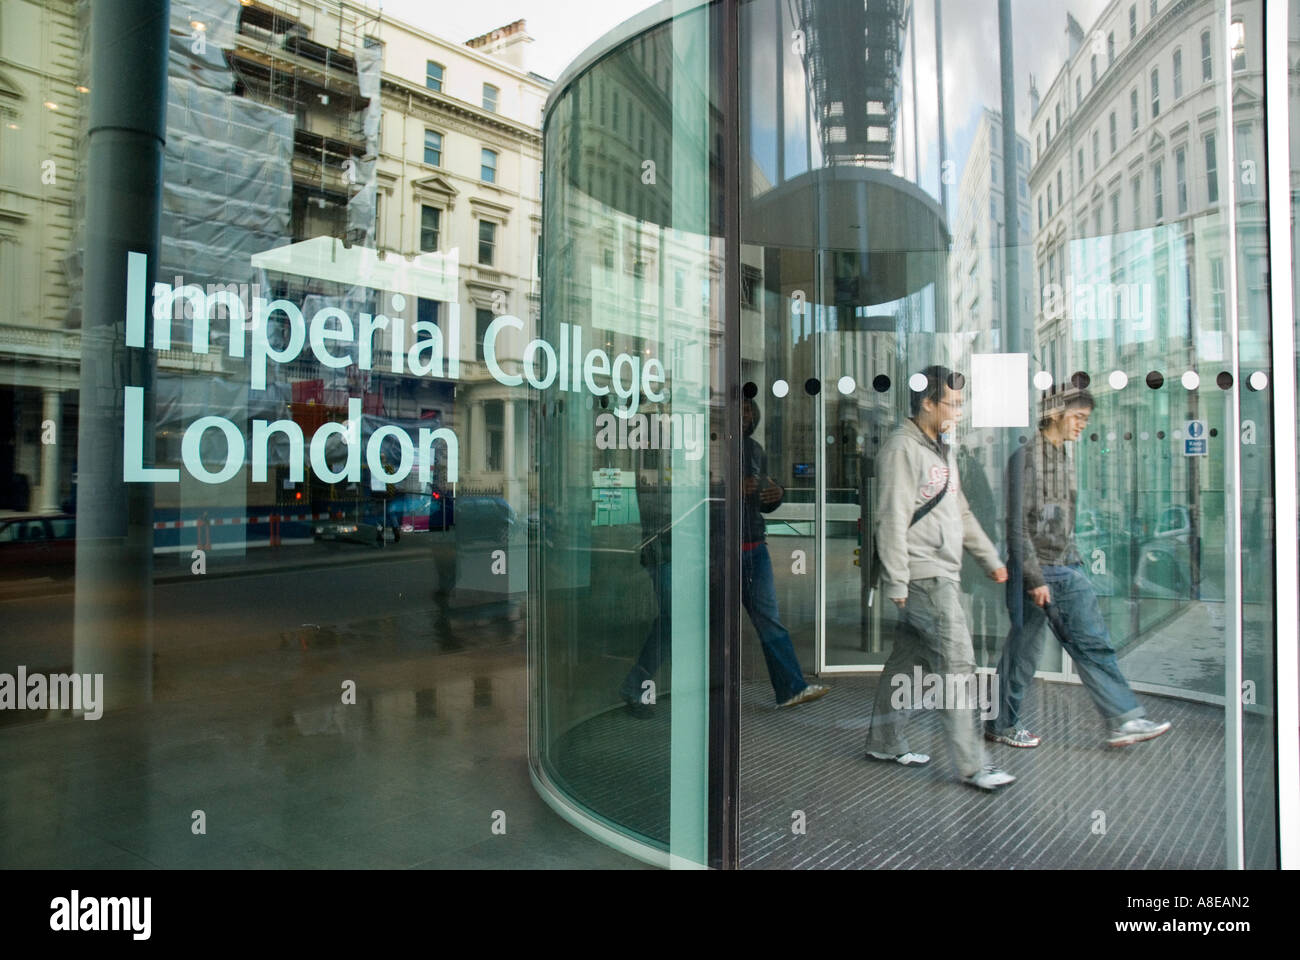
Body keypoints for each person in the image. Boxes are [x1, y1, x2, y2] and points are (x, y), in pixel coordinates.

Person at [619, 397, 829, 712]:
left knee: (767, 619)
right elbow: (694, 498)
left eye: (750, 409)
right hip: (714, 550)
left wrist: (776, 494)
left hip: (751, 547)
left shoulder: (754, 450)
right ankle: (641, 686)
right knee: (680, 621)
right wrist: (730, 491)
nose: (746, 414)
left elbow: (758, 499)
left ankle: (790, 687)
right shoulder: (705, 445)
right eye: (740, 408)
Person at [990, 387, 1171, 749]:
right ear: (1056, 414)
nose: (1081, 426)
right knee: (1092, 644)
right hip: (1047, 571)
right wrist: (1037, 578)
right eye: (1078, 418)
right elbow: (1017, 525)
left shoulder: (1059, 456)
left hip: (1054, 566)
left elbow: (1057, 520)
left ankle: (1001, 723)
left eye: (1085, 420)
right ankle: (1125, 719)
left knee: (1021, 653)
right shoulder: (1029, 459)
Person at [865, 366, 1015, 792]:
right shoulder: (901, 449)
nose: (960, 411)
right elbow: (890, 518)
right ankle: (973, 766)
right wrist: (896, 580)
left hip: (940, 571)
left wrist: (988, 558)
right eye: (953, 403)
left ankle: (884, 742)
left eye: (961, 403)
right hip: (922, 574)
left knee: (907, 661)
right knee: (958, 666)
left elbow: (961, 512)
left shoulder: (942, 450)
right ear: (927, 403)